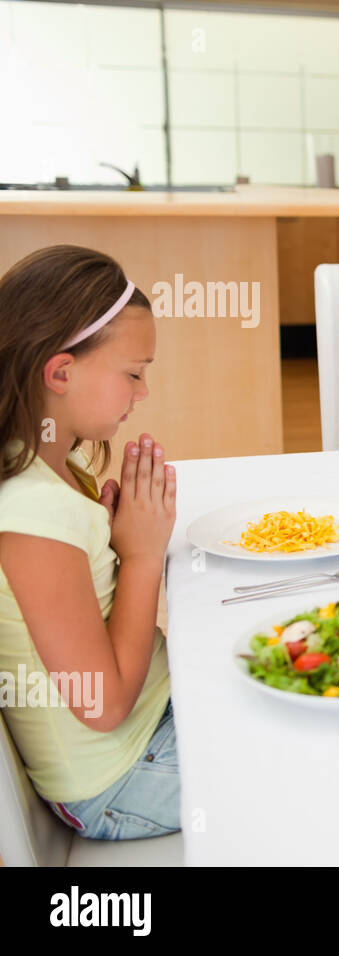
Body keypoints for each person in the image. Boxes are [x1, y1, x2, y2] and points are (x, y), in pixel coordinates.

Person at [0, 245, 179, 839]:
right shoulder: (32, 513)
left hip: (151, 727)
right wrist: (142, 557)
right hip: (123, 776)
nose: (142, 392)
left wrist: (111, 543)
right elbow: (100, 706)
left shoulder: (52, 464)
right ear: (59, 371)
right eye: (133, 373)